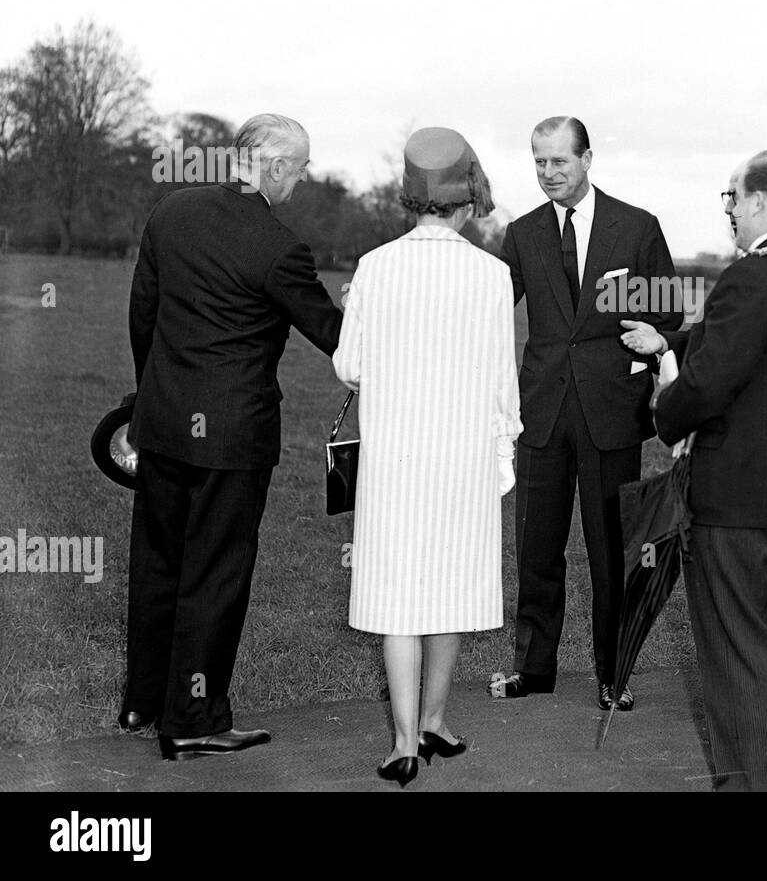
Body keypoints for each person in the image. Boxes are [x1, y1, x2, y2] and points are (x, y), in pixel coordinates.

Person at [622, 148, 767, 791]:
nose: (728, 210)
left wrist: (666, 403)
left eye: (731, 197)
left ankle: (754, 784)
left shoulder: (752, 276)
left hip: (738, 500)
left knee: (736, 656)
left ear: (757, 201)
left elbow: (706, 384)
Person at [120, 114, 342, 759]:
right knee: (214, 575)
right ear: (274, 167)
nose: (301, 181)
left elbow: (144, 314)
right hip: (231, 439)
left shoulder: (172, 210)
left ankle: (144, 702)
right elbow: (335, 337)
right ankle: (192, 719)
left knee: (158, 563)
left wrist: (151, 398)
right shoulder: (279, 247)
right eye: (299, 169)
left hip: (161, 423)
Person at [334, 128, 520, 787]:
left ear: (408, 198)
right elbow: (504, 379)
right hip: (463, 457)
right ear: (467, 199)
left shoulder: (376, 267)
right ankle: (436, 716)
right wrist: (504, 450)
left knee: (397, 595)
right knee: (451, 587)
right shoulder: (493, 274)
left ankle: (406, 739)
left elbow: (350, 365)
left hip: (396, 460)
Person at [490, 116, 681, 711]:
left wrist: (655, 332)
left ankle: (612, 672)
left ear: (588, 158)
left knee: (611, 551)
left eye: (559, 162)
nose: (548, 173)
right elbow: (490, 311)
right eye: (539, 162)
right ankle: (534, 668)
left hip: (610, 414)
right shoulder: (521, 234)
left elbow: (671, 313)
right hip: (541, 413)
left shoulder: (636, 226)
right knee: (537, 549)